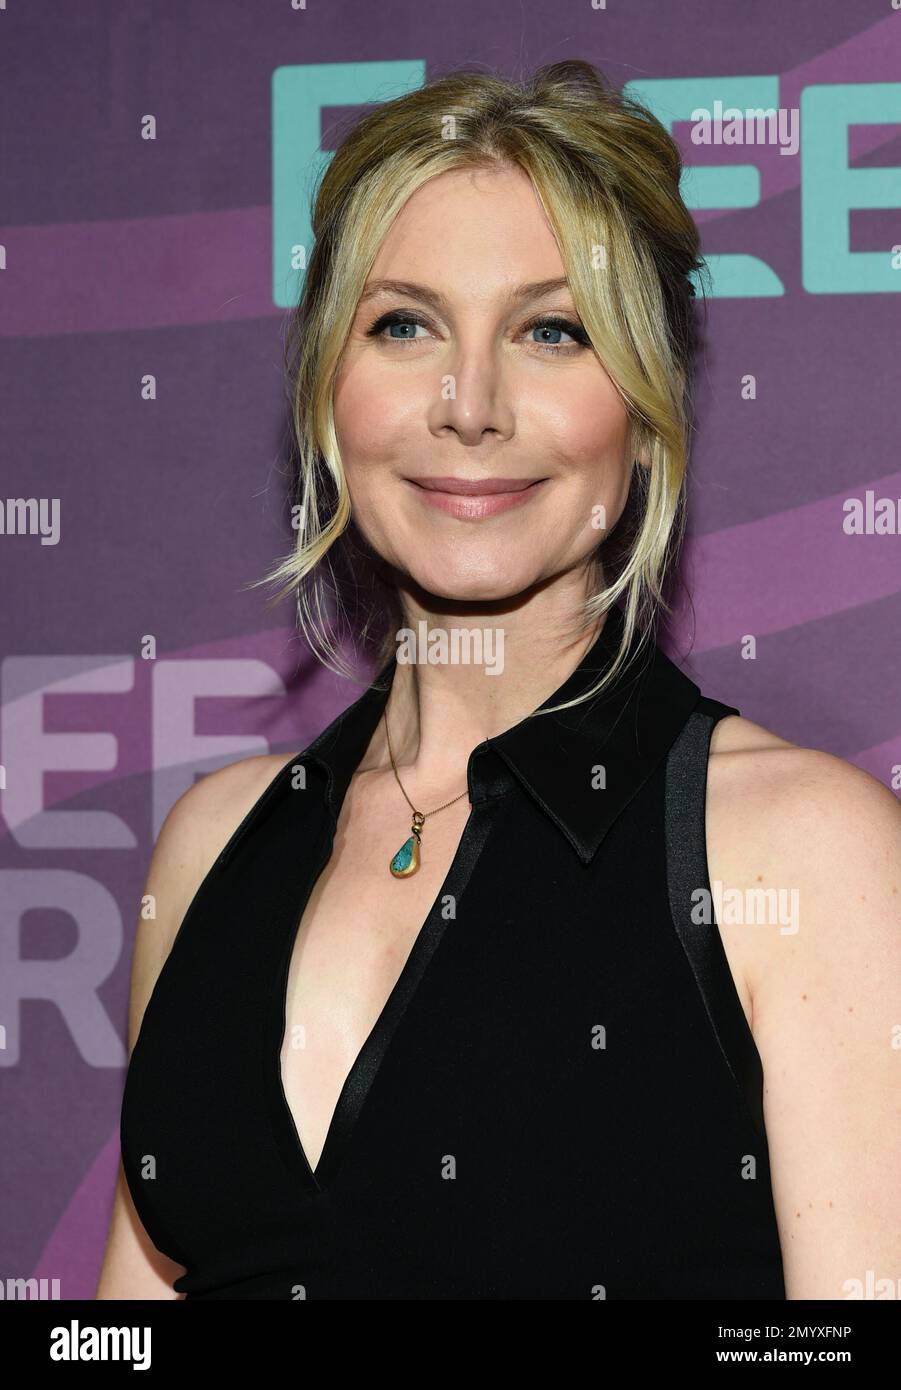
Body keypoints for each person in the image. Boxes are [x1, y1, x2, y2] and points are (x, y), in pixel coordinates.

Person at [97, 60, 901, 1300]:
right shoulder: (215, 847)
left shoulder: (797, 851)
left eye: (551, 329)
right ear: (326, 386)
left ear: (642, 410)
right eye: (404, 324)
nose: (467, 405)